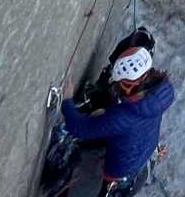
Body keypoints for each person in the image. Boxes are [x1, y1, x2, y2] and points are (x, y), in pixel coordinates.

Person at [59, 34, 176, 195]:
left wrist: (67, 101)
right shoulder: (160, 93)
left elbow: (77, 128)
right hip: (144, 157)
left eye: (119, 85)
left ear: (129, 85)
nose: (117, 89)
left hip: (120, 175)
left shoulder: (122, 117)